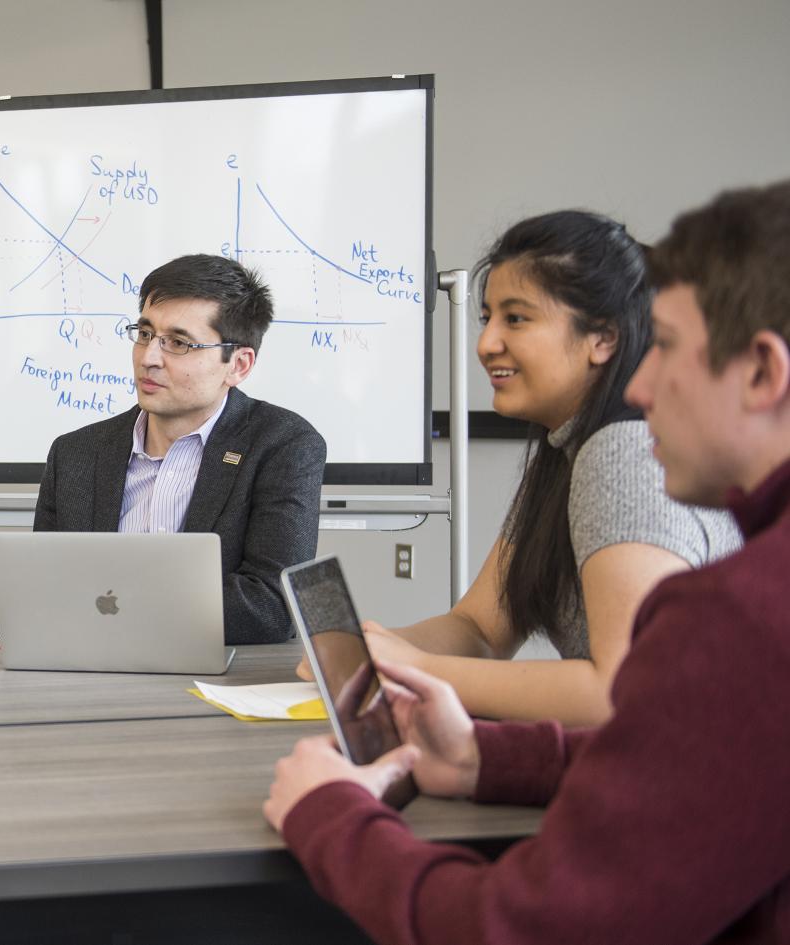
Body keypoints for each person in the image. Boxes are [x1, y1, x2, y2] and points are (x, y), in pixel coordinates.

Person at [264, 180, 790, 944]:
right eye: (487, 317)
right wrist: (485, 754)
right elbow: (697, 749)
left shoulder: (651, 491)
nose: (643, 383)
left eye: (666, 345)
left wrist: (331, 816)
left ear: (763, 373)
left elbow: (527, 928)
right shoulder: (566, 452)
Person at [346, 211, 739, 725]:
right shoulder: (566, 451)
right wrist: (375, 651)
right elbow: (480, 629)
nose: (486, 344)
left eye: (517, 318)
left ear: (603, 338)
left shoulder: (624, 451)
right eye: (487, 318)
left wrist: (416, 669)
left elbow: (621, 691)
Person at [33, 253, 325, 644]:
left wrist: (123, 613)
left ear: (237, 365)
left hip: (213, 679)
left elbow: (272, 604)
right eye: (145, 334)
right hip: (80, 670)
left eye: (179, 343)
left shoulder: (282, 445)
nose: (149, 358)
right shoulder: (76, 453)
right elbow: (33, 589)